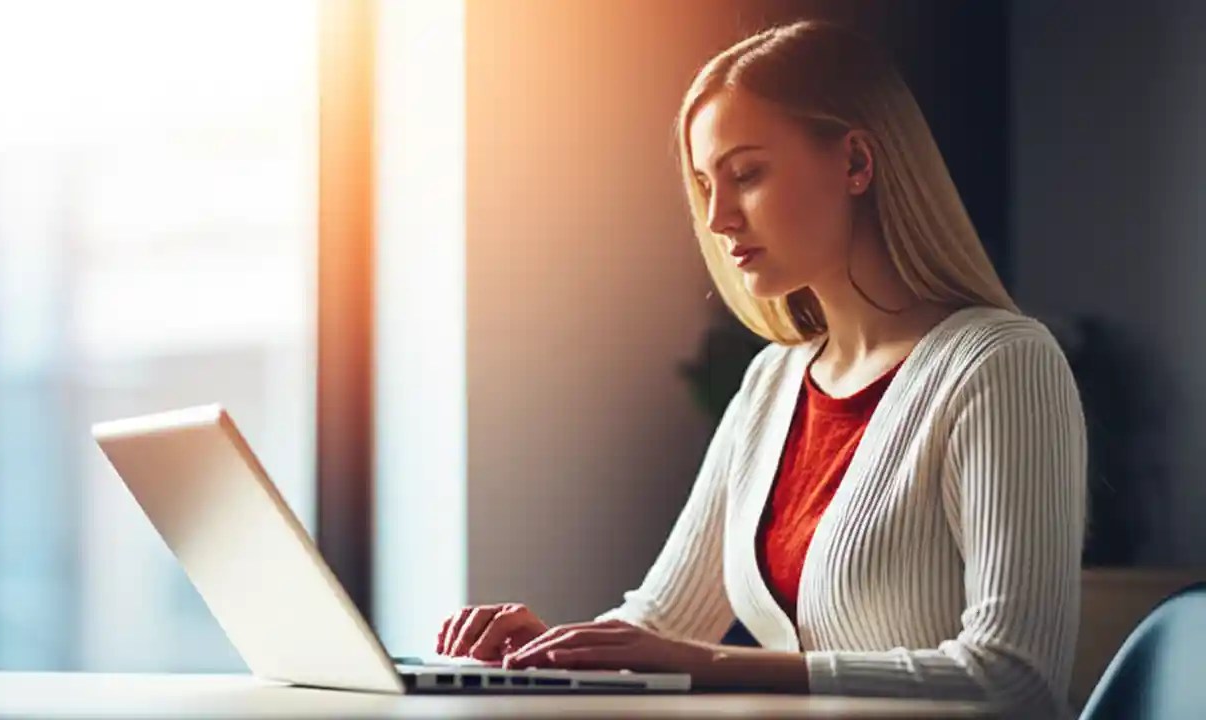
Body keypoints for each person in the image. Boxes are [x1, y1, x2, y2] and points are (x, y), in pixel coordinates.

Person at [435, 18, 1085, 718]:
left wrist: (715, 665)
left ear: (857, 164)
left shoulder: (999, 365)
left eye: (745, 174)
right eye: (704, 184)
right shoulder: (773, 382)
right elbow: (661, 624)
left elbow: (1015, 678)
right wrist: (548, 652)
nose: (718, 218)